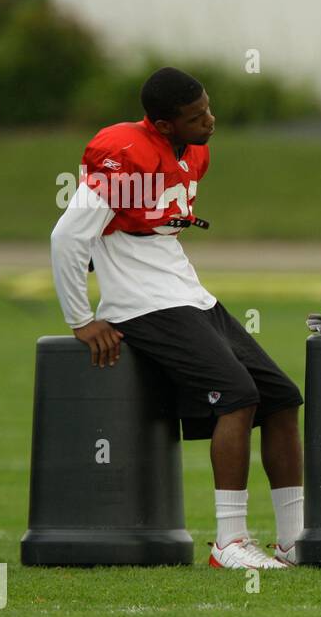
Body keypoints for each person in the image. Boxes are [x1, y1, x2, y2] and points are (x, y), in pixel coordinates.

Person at [49, 66, 304, 570]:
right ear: (164, 124)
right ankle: (229, 541)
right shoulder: (126, 156)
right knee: (237, 396)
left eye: (207, 107)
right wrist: (81, 319)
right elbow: (67, 237)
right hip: (141, 304)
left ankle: (294, 539)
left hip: (186, 292)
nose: (210, 120)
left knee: (280, 397)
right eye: (196, 115)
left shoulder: (194, 151)